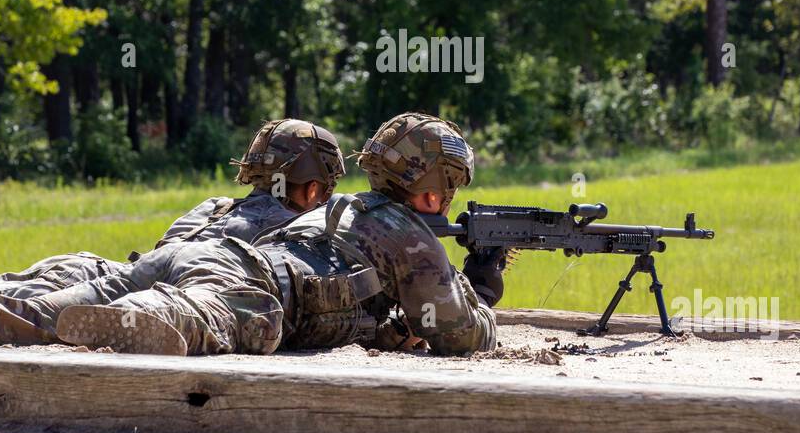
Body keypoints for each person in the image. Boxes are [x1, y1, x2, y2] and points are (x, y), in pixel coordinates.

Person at [0, 119, 346, 345]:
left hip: (111, 268)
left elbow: (162, 250)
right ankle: (147, 319)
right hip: (196, 280)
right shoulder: (316, 223)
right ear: (313, 186)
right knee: (16, 321)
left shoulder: (211, 207)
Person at [52, 112, 499, 357]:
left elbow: (364, 309)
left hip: (210, 259)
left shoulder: (342, 210)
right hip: (252, 285)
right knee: (208, 316)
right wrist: (479, 296)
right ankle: (138, 314)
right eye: (450, 188)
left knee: (50, 306)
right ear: (433, 191)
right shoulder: (410, 238)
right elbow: (457, 336)